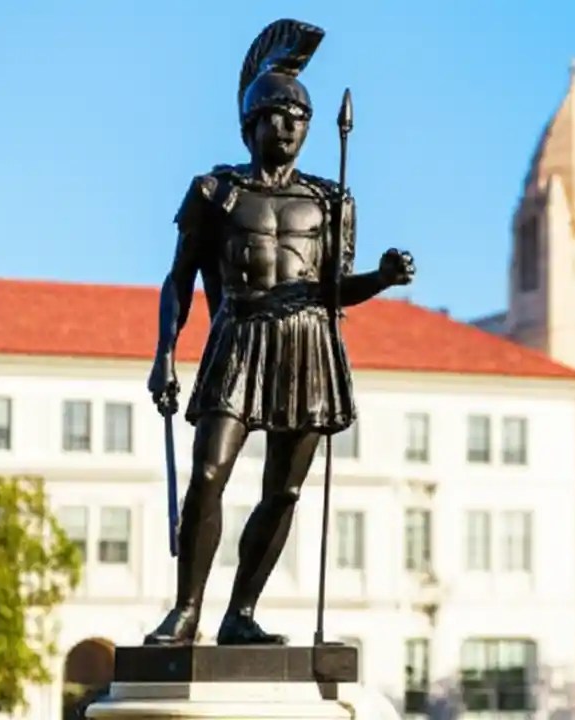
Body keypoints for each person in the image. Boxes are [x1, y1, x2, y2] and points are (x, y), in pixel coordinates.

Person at [143, 18, 416, 646]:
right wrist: (165, 354)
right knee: (209, 474)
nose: (289, 127)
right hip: (239, 337)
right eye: (276, 115)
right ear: (251, 124)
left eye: (299, 118)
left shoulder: (330, 201)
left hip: (306, 346)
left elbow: (334, 291)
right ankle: (187, 610)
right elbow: (178, 280)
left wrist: (379, 277)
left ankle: (241, 612)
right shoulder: (216, 192)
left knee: (285, 489)